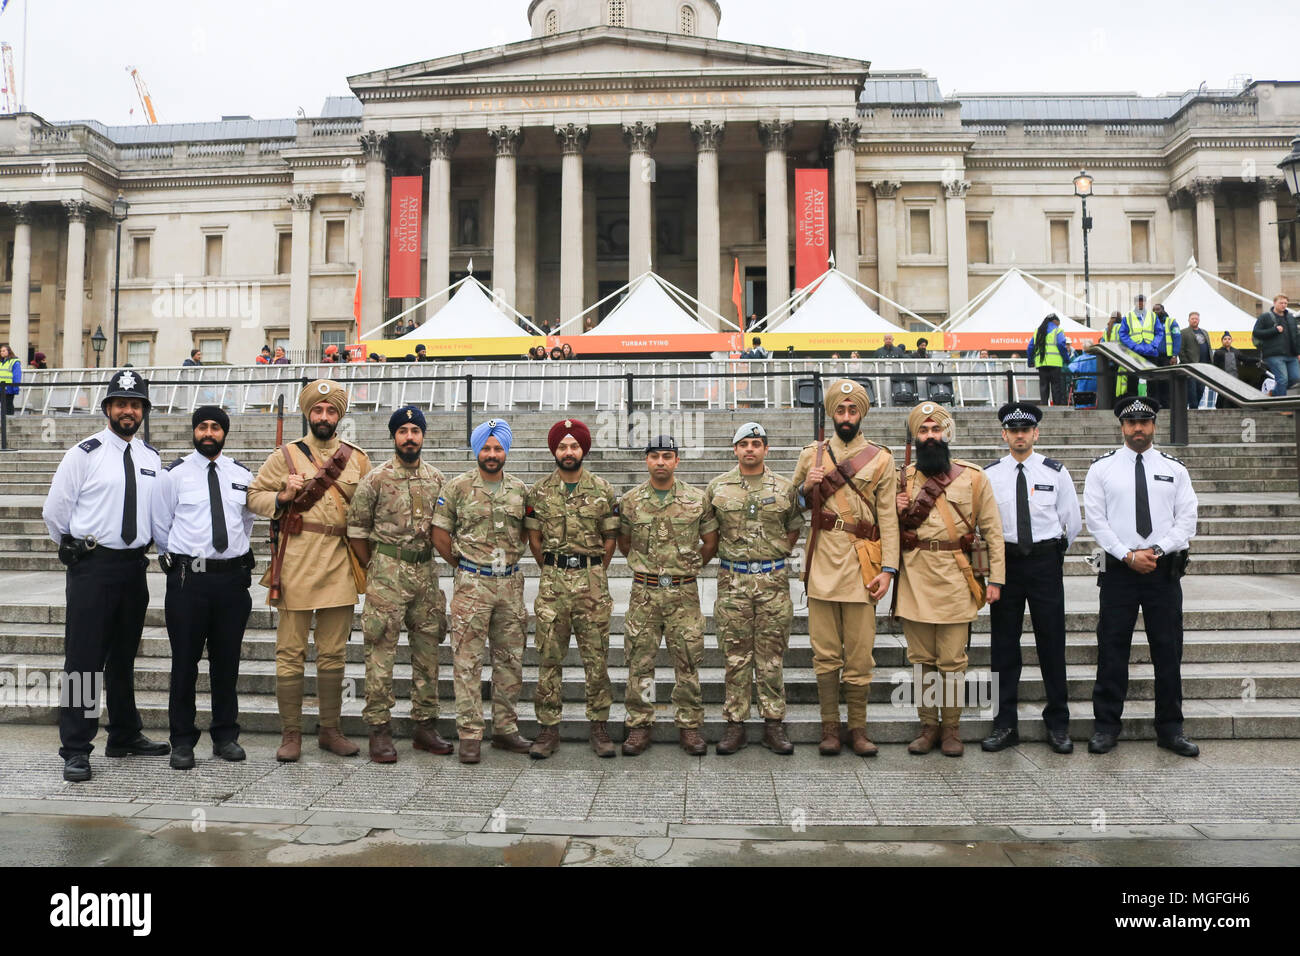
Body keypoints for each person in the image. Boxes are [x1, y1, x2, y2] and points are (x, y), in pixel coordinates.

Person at [42, 370, 167, 781]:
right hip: (93, 566)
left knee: (123, 658)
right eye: (120, 404)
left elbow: (158, 514)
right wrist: (73, 546)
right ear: (108, 409)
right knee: (84, 660)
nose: (127, 411)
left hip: (133, 567)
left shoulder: (151, 458)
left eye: (135, 404)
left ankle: (125, 735)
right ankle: (76, 747)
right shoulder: (85, 452)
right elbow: (55, 510)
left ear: (144, 411)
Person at [248, 380, 372, 762]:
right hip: (297, 560)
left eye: (330, 411)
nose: (323, 416)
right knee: (290, 652)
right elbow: (253, 496)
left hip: (338, 561)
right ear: (308, 413)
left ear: (339, 415)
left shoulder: (357, 459)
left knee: (333, 654)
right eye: (317, 410)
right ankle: (291, 734)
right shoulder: (283, 456)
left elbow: (368, 509)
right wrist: (283, 495)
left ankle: (330, 729)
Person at [1084, 395, 1199, 757]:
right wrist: (1128, 554)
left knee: (1168, 651)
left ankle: (1170, 729)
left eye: (1144, 422)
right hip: (1119, 571)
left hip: (1163, 572)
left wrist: (1158, 551)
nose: (1138, 428)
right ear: (1121, 426)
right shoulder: (1102, 468)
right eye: (1131, 423)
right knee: (1112, 650)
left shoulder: (1174, 469)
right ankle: (1106, 727)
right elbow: (1096, 521)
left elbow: (1187, 520)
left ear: (1154, 425)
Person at [792, 382, 899, 756]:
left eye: (853, 411)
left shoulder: (882, 459)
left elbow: (888, 517)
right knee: (824, 653)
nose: (847, 418)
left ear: (862, 414)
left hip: (862, 565)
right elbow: (793, 507)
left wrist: (888, 570)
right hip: (822, 563)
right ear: (832, 414)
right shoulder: (812, 455)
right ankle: (829, 729)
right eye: (841, 411)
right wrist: (807, 487)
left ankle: (857, 729)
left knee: (859, 654)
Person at [894, 402, 1005, 757]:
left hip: (958, 577)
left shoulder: (973, 477)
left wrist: (996, 580)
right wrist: (897, 513)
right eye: (923, 432)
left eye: (936, 431)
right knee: (922, 659)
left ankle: (952, 730)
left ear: (947, 434)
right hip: (915, 577)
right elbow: (886, 532)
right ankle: (928, 727)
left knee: (953, 660)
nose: (930, 437)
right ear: (915, 436)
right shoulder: (902, 480)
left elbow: (993, 531)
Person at [151, 406, 256, 769]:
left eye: (215, 427)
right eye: (202, 427)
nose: (208, 433)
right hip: (188, 581)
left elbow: (246, 521)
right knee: (185, 663)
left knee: (226, 663)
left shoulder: (241, 474)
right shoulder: (174, 475)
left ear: (225, 433)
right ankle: (182, 740)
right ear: (194, 432)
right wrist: (182, 561)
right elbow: (161, 525)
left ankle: (225, 735)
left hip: (231, 581)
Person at [344, 405, 450, 762]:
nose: (409, 437)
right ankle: (379, 729)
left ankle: (425, 725)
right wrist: (375, 564)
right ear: (394, 436)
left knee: (428, 652)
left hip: (426, 573)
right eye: (402, 431)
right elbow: (356, 531)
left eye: (415, 431)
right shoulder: (375, 479)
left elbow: (444, 527)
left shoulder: (437, 479)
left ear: (423, 436)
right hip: (387, 570)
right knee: (380, 651)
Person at [980, 403, 1080, 755]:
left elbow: (1072, 522)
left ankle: (1058, 725)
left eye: (1026, 430)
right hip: (1005, 563)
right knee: (1003, 648)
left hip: (1043, 562)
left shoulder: (1055, 471)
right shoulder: (990, 475)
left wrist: (1051, 555)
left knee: (1051, 644)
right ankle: (1004, 724)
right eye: (1013, 430)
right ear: (1004, 435)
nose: (1020, 435)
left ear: (1036, 433)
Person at [432, 419, 532, 764]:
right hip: (472, 584)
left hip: (510, 585)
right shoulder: (457, 487)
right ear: (477, 450)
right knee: (467, 661)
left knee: (510, 660)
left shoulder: (520, 489)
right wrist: (463, 565)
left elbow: (527, 534)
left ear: (506, 451)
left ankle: (505, 729)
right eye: (486, 448)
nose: (492, 454)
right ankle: (470, 734)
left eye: (498, 448)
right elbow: (441, 535)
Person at [706, 422, 804, 755]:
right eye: (744, 443)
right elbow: (709, 531)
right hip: (733, 582)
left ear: (766, 449)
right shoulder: (718, 488)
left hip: (773, 583)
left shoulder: (784, 487)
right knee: (735, 655)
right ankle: (735, 724)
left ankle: (773, 724)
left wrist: (773, 554)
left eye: (757, 443)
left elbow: (793, 528)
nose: (750, 448)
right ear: (735, 449)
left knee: (771, 656)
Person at [618, 435, 719, 755]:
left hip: (683, 593)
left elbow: (711, 542)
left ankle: (689, 725)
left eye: (667, 456)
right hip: (644, 592)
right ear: (646, 461)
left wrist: (688, 568)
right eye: (654, 456)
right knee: (640, 662)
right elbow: (624, 542)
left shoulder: (696, 499)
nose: (660, 461)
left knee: (687, 661)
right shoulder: (631, 501)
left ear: (677, 461)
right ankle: (640, 724)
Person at [526, 419, 619, 759]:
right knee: (549, 658)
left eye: (574, 446)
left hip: (592, 585)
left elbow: (611, 538)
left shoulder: (603, 490)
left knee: (597, 659)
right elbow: (534, 539)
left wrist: (593, 571)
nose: (568, 452)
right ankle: (548, 729)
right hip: (553, 584)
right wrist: (553, 568)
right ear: (555, 450)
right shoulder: (538, 492)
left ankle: (599, 726)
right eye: (563, 446)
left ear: (583, 450)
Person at [1252, 294, 1300, 396]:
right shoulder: (1265, 317)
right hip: (1274, 354)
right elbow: (1256, 333)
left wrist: (1298, 352)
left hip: (1291, 355)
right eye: (1281, 303)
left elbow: (1296, 336)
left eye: (1286, 303)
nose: (1283, 305)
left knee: (1296, 379)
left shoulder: (1291, 318)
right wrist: (1274, 330)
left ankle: (1274, 393)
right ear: (1274, 303)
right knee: (1282, 380)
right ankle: (1282, 406)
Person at [1026, 314, 1070, 406]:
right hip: (1055, 363)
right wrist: (1066, 358)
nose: (1058, 325)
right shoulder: (1058, 330)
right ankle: (1057, 408)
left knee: (1043, 386)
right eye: (1058, 323)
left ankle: (1044, 407)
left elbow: (1030, 347)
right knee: (1056, 387)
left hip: (1041, 364)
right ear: (1055, 321)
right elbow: (1061, 344)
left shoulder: (1038, 331)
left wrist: (1030, 361)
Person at [1118, 294, 1157, 396]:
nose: (1140, 303)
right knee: (1132, 378)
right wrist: (1133, 345)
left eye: (1142, 301)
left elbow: (1159, 332)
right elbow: (1122, 333)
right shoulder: (1128, 316)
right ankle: (1133, 400)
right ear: (1135, 303)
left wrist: (1153, 345)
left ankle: (1151, 401)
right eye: (1138, 301)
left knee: (1151, 378)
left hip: (1149, 351)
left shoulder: (1152, 316)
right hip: (1134, 351)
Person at [1150, 303, 1180, 407]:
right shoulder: (1149, 324)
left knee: (1166, 382)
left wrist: (1174, 355)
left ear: (1163, 310)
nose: (1155, 311)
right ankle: (1154, 404)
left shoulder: (1171, 322)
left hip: (1166, 358)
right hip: (1153, 357)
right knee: (1153, 382)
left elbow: (1177, 338)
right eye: (1153, 310)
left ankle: (1166, 405)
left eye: (1157, 309)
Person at [1179, 312, 1211, 408]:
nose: (1194, 320)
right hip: (1192, 367)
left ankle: (1195, 407)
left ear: (1199, 320)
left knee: (1201, 389)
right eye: (1192, 318)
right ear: (1188, 320)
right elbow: (1181, 349)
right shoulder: (1183, 332)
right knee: (1192, 390)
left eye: (1196, 318)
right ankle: (1193, 408)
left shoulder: (1204, 332)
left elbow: (1209, 347)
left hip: (1204, 367)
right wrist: (1187, 363)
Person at [1211, 333, 1244, 408]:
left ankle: (1235, 408)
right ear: (1222, 341)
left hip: (1234, 377)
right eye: (1225, 339)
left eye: (1229, 339)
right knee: (1222, 394)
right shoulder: (1218, 352)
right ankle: (1219, 408)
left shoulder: (1236, 351)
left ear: (1231, 340)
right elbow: (1215, 366)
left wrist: (1256, 360)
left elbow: (1244, 358)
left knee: (1234, 394)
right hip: (1223, 377)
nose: (1227, 341)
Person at [0, 342, 21, 415]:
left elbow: (17, 375)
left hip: (9, 388)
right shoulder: (0, 362)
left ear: (9, 351)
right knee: (3, 406)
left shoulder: (14, 362)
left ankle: (9, 422)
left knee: (8, 405)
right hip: (1, 387)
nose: (1, 352)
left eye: (4, 351)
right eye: (1, 351)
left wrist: (15, 386)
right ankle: (3, 423)